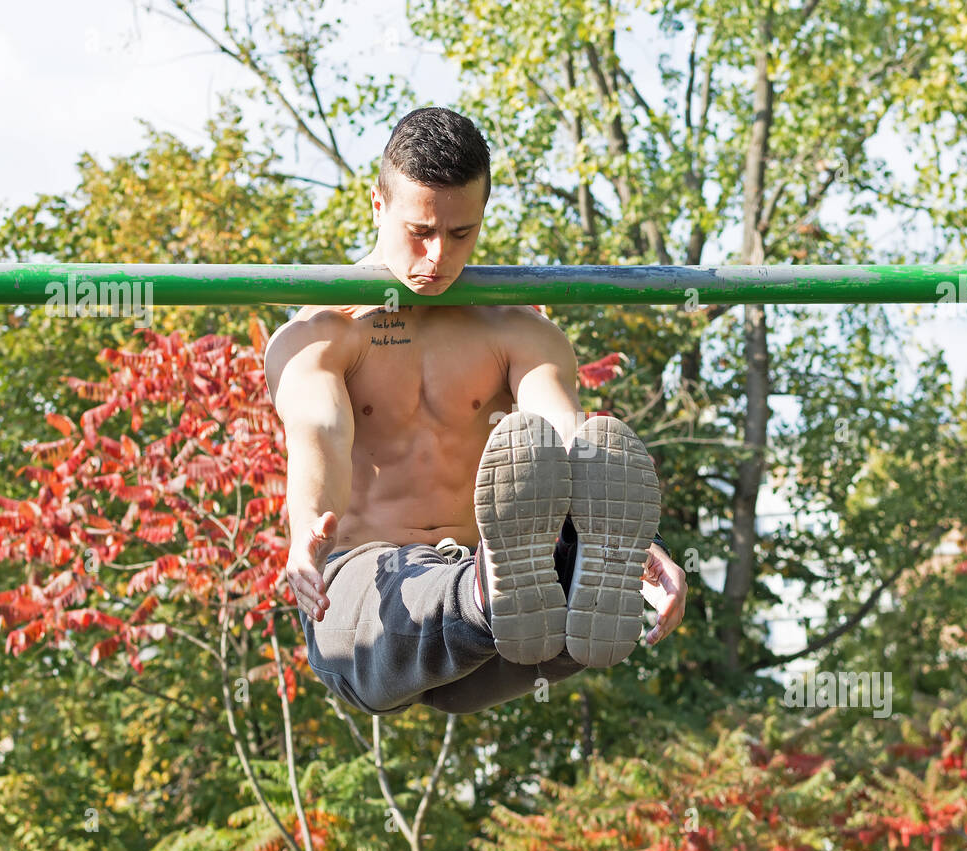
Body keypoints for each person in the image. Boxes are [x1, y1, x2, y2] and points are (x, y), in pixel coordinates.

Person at [263, 106, 687, 716]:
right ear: (377, 205)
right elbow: (319, 433)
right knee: (457, 595)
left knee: (561, 587)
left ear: (483, 218)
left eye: (461, 234)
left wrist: (643, 548)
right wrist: (305, 537)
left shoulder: (517, 330)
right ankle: (492, 589)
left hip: (495, 638)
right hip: (366, 606)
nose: (437, 256)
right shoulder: (323, 331)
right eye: (420, 231)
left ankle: (525, 584)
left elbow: (568, 435)